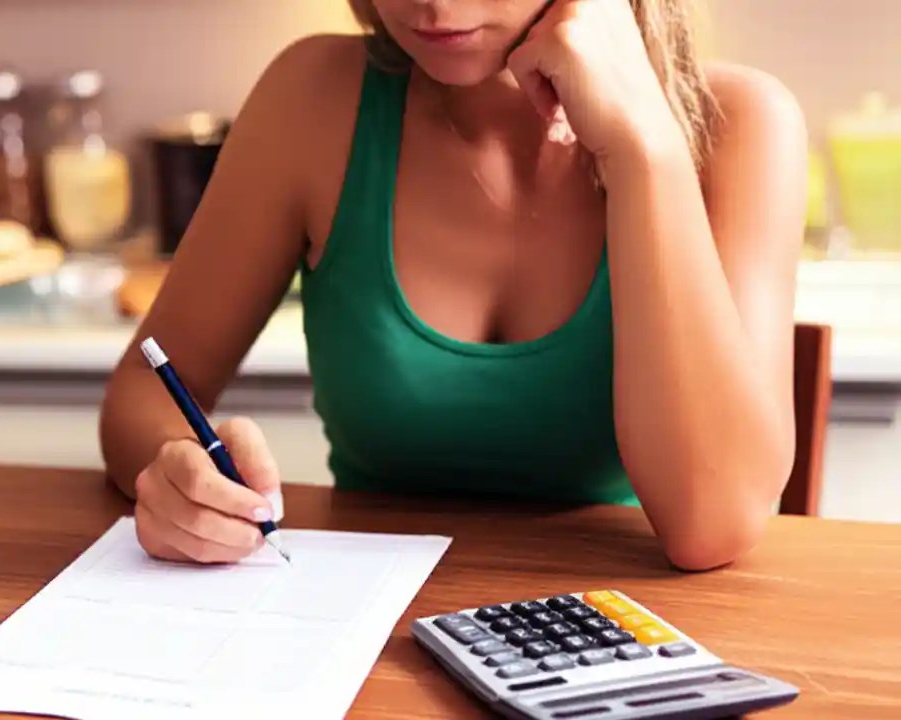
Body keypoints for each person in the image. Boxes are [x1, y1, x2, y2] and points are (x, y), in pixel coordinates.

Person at [99, 0, 807, 571]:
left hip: (631, 642)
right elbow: (146, 388)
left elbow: (713, 528)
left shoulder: (738, 126)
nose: (432, 5)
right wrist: (176, 473)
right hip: (367, 637)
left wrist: (641, 148)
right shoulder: (311, 98)